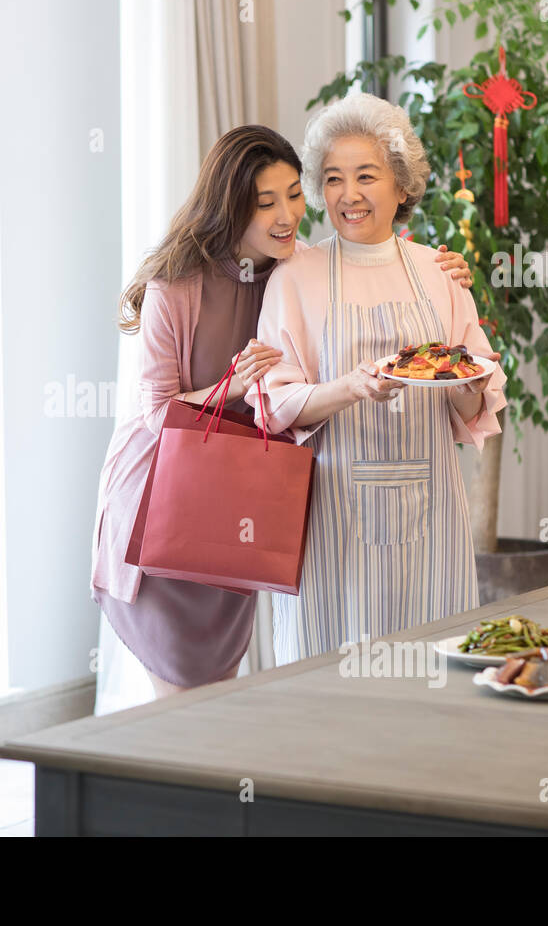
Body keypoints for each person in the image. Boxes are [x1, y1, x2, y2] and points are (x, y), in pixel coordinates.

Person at [90, 125, 474, 699]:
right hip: (160, 503)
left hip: (235, 504)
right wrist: (232, 385)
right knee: (180, 705)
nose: (287, 214)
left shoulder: (286, 272)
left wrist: (440, 270)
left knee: (217, 694)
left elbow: (358, 284)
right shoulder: (176, 287)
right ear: (230, 207)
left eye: (294, 194)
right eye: (265, 202)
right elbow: (152, 412)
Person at [248, 93, 506, 664]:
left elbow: (476, 392)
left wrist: (465, 383)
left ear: (402, 185)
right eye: (333, 178)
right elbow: (272, 403)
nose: (349, 194)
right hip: (328, 520)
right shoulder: (295, 276)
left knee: (430, 671)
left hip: (431, 512)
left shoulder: (439, 272)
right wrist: (351, 388)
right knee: (330, 680)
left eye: (367, 175)